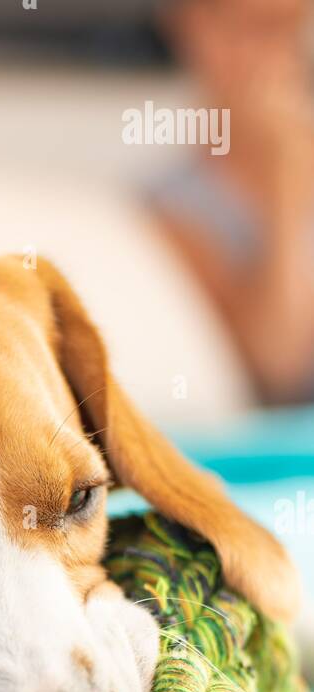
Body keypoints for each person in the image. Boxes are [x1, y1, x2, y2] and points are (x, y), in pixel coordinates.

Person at [152, 0, 314, 403]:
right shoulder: (172, 209)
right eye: (253, 30)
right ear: (192, 28)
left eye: (289, 29)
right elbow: (278, 365)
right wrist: (285, 181)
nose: (276, 57)